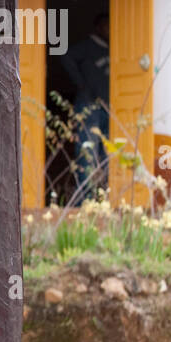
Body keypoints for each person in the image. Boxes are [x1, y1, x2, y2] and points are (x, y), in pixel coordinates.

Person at [59, 13, 110, 203]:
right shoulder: (87, 47)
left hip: (109, 108)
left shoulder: (114, 48)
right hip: (89, 107)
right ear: (99, 27)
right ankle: (85, 203)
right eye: (107, 26)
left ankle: (102, 200)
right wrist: (82, 85)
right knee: (87, 155)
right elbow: (65, 56)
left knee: (106, 155)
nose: (111, 30)